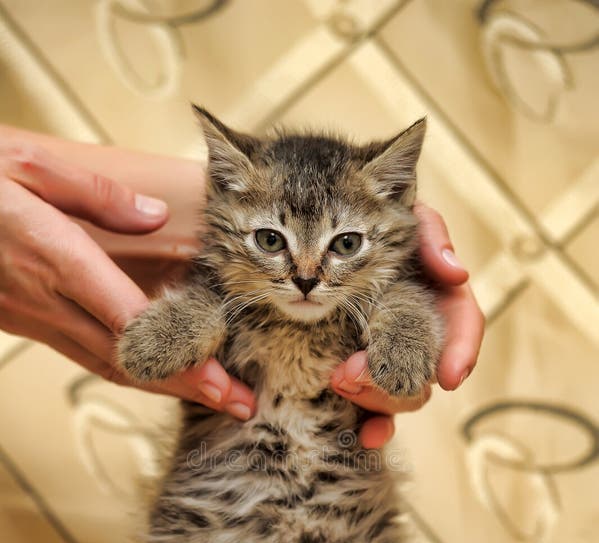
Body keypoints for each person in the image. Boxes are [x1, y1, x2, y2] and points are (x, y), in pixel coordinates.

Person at [0, 125, 484, 448]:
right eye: (272, 240)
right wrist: (192, 318)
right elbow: (206, 300)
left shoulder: (377, 295)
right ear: (223, 192)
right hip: (213, 525)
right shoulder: (228, 298)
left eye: (346, 243)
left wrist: (405, 319)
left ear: (397, 195)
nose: (307, 275)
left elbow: (397, 295)